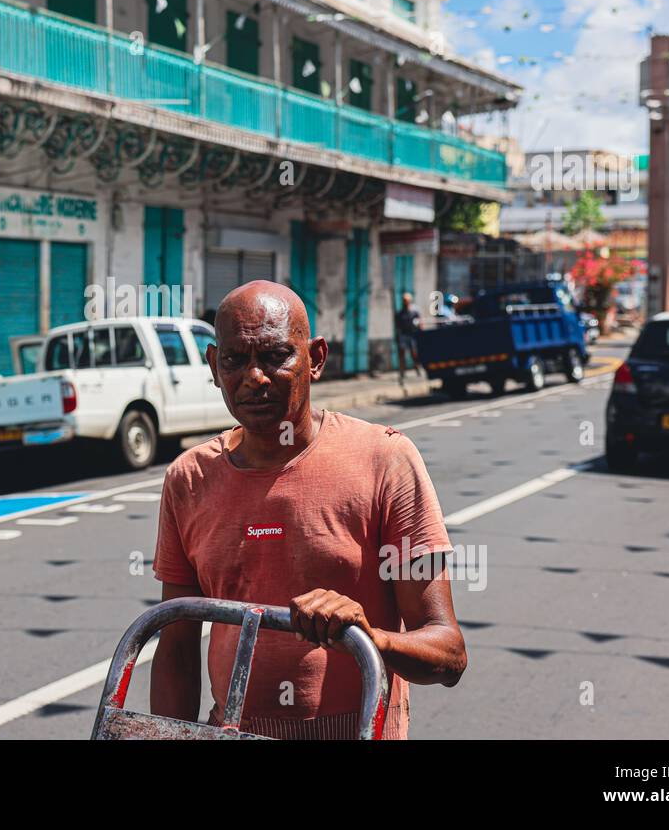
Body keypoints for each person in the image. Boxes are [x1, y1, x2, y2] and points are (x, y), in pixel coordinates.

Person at [150, 281, 465, 739]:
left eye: (276, 357)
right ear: (215, 366)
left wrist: (366, 637)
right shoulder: (189, 479)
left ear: (315, 359)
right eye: (236, 360)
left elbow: (449, 653)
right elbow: (177, 646)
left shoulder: (385, 460)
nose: (254, 378)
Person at [394, 290, 424, 378]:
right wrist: (398, 337)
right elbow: (397, 326)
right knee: (402, 354)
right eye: (404, 300)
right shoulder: (400, 314)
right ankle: (402, 372)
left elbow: (420, 323)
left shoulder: (414, 312)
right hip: (403, 335)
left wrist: (421, 333)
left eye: (406, 300)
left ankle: (417, 368)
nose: (405, 302)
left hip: (412, 335)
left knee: (414, 354)